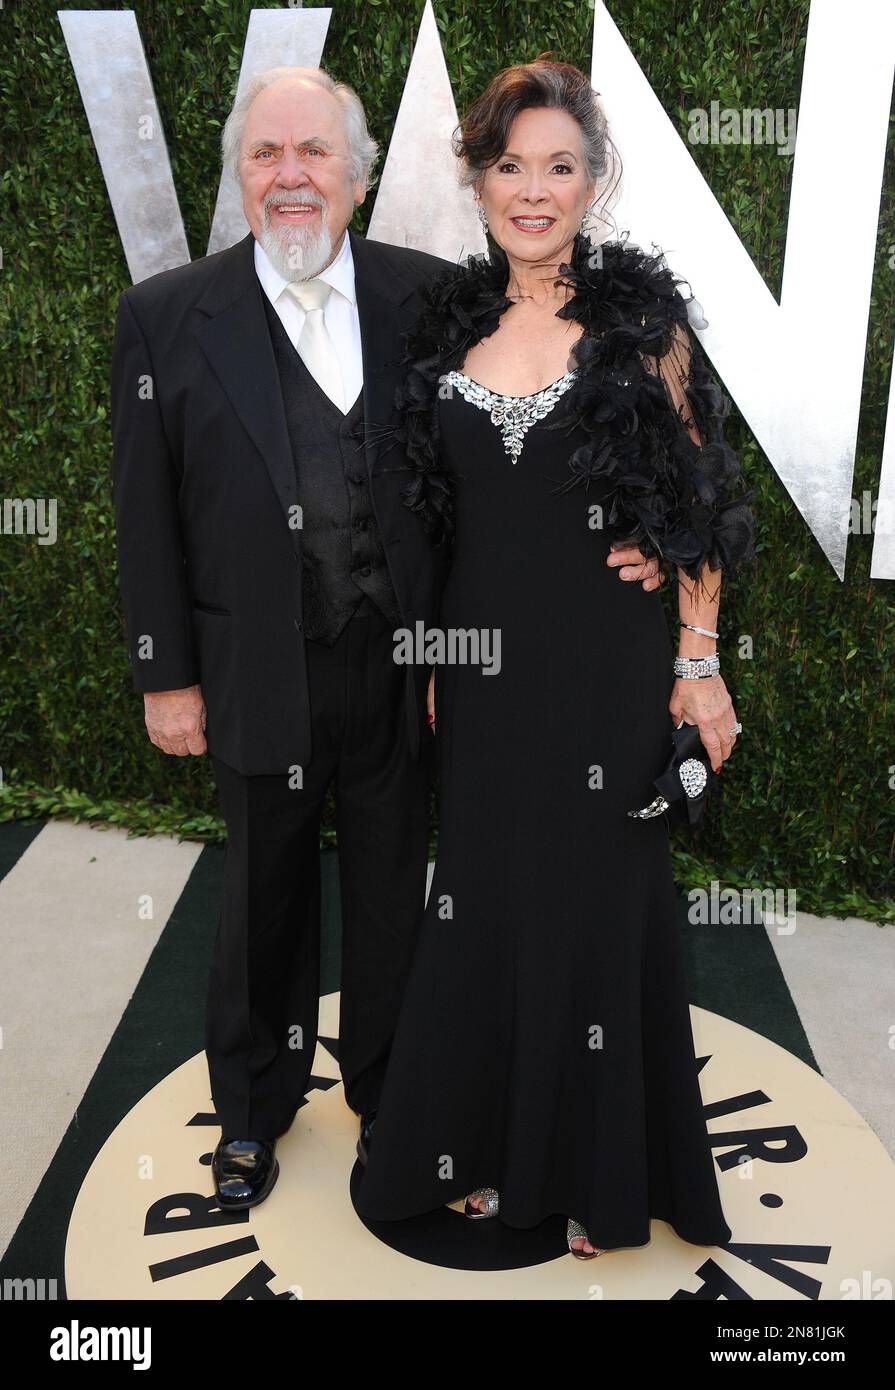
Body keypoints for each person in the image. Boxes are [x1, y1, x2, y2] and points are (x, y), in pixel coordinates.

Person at [110, 64, 663, 1212]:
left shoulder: (428, 299)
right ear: (240, 175)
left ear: (357, 180)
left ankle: (389, 1093)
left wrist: (637, 539)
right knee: (262, 892)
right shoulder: (165, 315)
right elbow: (144, 512)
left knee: (393, 888)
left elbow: (506, 473)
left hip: (406, 666)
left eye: (315, 153)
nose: (291, 175)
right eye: (268, 154)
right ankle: (254, 1109)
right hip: (257, 663)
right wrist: (168, 676)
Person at [355, 59, 755, 1257]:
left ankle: (600, 1167)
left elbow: (702, 507)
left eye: (560, 167)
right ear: (476, 179)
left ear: (595, 180)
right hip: (480, 675)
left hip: (607, 668)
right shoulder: (449, 325)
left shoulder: (644, 329)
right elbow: (430, 522)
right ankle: (475, 1142)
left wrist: (697, 659)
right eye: (511, 166)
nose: (534, 191)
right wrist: (430, 656)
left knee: (597, 898)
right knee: (483, 894)